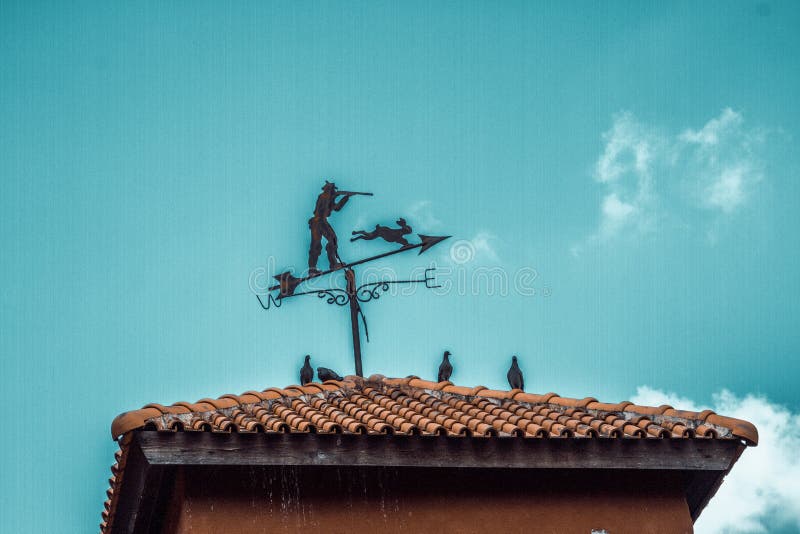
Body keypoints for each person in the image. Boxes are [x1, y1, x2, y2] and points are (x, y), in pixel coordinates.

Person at [308, 181, 352, 274]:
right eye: (331, 189)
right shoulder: (323, 196)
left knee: (332, 240)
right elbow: (323, 206)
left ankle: (332, 264)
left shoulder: (328, 198)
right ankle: (314, 268)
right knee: (318, 244)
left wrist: (346, 197)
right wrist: (334, 196)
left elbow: (337, 208)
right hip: (318, 222)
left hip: (321, 221)